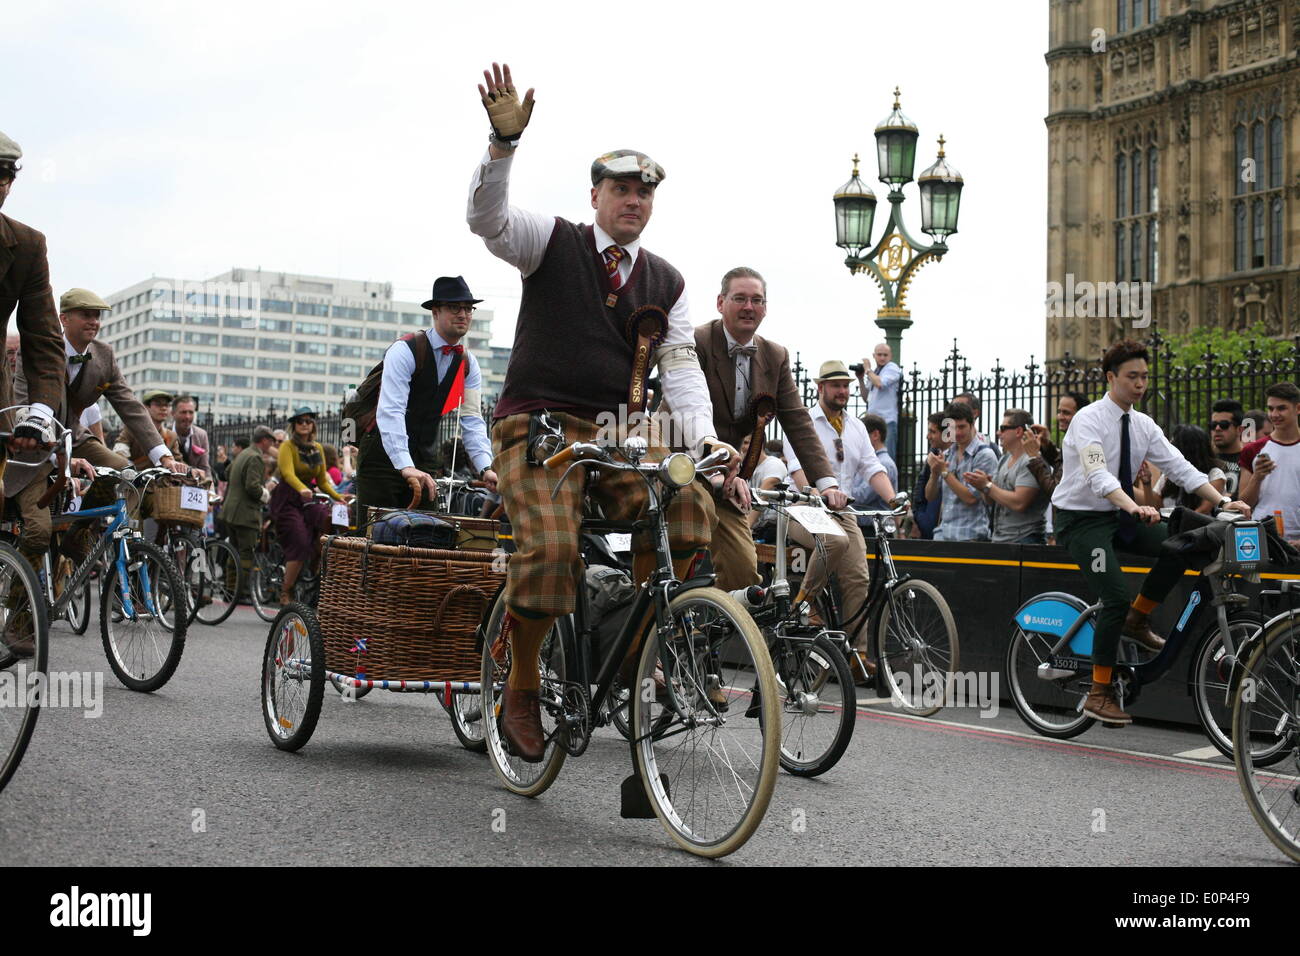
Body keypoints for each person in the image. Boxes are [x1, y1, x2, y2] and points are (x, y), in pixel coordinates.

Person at [467, 62, 733, 762]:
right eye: (621, 188)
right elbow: (485, 220)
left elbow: (679, 367)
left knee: (687, 509)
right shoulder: (550, 241)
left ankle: (639, 652)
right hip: (538, 428)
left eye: (644, 191)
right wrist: (502, 147)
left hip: (617, 436)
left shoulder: (667, 281)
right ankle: (521, 684)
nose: (634, 200)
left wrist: (705, 441)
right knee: (552, 553)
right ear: (596, 196)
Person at [1051, 340, 1250, 726]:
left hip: (1121, 515)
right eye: (1132, 377)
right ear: (1111, 378)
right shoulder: (1088, 420)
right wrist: (1133, 505)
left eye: (1144, 376)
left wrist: (1223, 502)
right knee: (1114, 596)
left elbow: (1181, 469)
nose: (1140, 384)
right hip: (1081, 520)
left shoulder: (1143, 425)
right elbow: (1097, 474)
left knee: (1180, 545)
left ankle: (1137, 620)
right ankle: (1098, 692)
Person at [678, 266, 839, 594]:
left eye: (757, 300)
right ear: (720, 303)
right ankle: (662, 629)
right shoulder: (697, 340)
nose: (749, 307)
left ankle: (727, 638)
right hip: (683, 465)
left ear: (765, 308)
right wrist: (710, 463)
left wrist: (826, 482)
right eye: (739, 299)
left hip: (728, 476)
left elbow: (797, 421)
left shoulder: (774, 354)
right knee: (675, 555)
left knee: (743, 570)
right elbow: (680, 409)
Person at [8, 289, 187, 577]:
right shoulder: (38, 350)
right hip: (34, 445)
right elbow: (23, 409)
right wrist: (60, 460)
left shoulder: (104, 355)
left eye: (97, 315)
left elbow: (130, 405)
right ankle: (20, 607)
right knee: (39, 532)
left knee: (124, 472)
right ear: (63, 319)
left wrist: (163, 457)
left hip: (72, 437)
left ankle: (78, 535)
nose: (94, 321)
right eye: (85, 314)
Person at [783, 360, 898, 679]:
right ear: (820, 388)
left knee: (858, 576)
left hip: (841, 509)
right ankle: (805, 605)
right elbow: (797, 470)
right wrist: (819, 492)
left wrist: (893, 499)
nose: (843, 391)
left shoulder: (857, 426)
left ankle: (855, 653)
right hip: (806, 509)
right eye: (836, 386)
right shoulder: (803, 421)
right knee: (835, 543)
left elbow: (873, 468)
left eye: (846, 386)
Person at [350, 275, 497, 520]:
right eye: (454, 307)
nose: (463, 314)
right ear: (436, 312)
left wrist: (485, 467)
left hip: (425, 457)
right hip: (381, 456)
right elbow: (391, 411)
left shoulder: (468, 363)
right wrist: (405, 465)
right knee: (376, 536)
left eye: (468, 308)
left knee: (425, 535)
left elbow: (471, 419)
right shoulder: (405, 350)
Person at [270, 407, 348, 605]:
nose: (304, 424)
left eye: (308, 421)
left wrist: (339, 497)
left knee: (326, 523)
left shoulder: (317, 448)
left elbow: (322, 481)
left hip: (308, 497)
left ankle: (313, 569)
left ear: (313, 424)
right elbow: (287, 474)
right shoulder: (288, 446)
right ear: (294, 425)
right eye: (300, 421)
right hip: (288, 496)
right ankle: (286, 591)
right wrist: (301, 488)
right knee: (300, 540)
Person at [964, 408, 1047, 544]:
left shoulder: (1031, 461)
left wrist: (987, 486)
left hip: (1025, 540)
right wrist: (982, 486)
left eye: (1003, 428)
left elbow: (1020, 503)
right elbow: (992, 501)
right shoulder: (1004, 459)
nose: (998, 433)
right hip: (1001, 539)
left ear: (1019, 431)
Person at [926, 401, 998, 541]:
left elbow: (970, 498)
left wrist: (944, 472)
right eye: (953, 428)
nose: (957, 432)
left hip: (971, 536)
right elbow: (930, 496)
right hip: (943, 534)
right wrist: (934, 474)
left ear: (972, 425)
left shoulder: (984, 455)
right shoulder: (947, 454)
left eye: (962, 427)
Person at [1239, 381, 1300, 542]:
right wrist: (1257, 478)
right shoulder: (1253, 450)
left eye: (1281, 408)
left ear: (1298, 409)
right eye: (1270, 408)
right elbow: (1243, 504)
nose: (1274, 414)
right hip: (1263, 537)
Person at [223, 427, 273, 597]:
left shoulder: (243, 454)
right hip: (245, 513)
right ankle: (241, 592)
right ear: (264, 440)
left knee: (233, 551)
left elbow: (227, 472)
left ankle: (230, 589)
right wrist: (265, 495)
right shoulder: (256, 457)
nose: (272, 445)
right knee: (246, 553)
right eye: (271, 441)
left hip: (231, 511)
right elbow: (252, 486)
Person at [1139, 424, 1226, 514]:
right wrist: (1147, 483)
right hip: (1167, 524)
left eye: (1173, 443)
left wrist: (1176, 525)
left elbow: (1203, 511)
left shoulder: (1215, 475)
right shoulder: (1170, 472)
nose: (1169, 445)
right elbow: (1154, 507)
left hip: (1196, 526)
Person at [856, 343, 902, 459]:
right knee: (870, 457)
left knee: (886, 457)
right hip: (871, 422)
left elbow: (880, 383)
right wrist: (861, 379)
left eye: (885, 355)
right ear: (874, 356)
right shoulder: (875, 372)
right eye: (879, 355)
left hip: (887, 422)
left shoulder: (892, 368)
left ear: (890, 356)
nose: (882, 358)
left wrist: (867, 369)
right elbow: (866, 397)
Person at [910, 411, 948, 539]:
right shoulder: (932, 456)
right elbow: (921, 492)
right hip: (929, 527)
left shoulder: (957, 457)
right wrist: (919, 518)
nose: (927, 436)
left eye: (933, 432)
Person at [852, 411, 897, 514]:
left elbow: (862, 496)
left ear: (875, 435)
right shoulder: (869, 461)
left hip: (872, 527)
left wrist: (840, 489)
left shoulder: (884, 464)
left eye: (861, 435)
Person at [127, 389, 182, 469]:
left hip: (162, 480)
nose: (163, 408)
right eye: (158, 404)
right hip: (135, 479)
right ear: (145, 407)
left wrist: (192, 470)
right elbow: (120, 452)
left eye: (166, 405)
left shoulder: (171, 435)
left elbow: (178, 461)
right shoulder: (131, 430)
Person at [1209, 398, 1245, 499]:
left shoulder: (1248, 459)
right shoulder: (1205, 458)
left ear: (1239, 429)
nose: (1217, 429)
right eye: (1213, 425)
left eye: (1224, 425)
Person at [171, 394, 210, 475]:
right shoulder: (163, 433)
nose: (187, 416)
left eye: (191, 412)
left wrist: (210, 485)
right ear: (173, 413)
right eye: (183, 412)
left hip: (193, 485)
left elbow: (205, 467)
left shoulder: (201, 435)